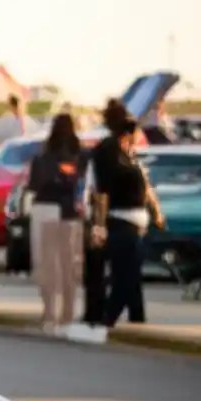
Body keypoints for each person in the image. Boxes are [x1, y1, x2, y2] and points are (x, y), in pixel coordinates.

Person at [98, 117, 165, 329]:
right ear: (126, 137)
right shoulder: (117, 165)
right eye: (135, 137)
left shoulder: (131, 161)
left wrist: (157, 213)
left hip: (134, 227)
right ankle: (105, 319)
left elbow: (147, 190)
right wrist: (99, 225)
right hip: (122, 226)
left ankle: (137, 318)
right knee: (125, 278)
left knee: (132, 277)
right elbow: (102, 196)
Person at [26, 114, 84, 335]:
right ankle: (68, 314)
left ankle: (49, 314)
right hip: (70, 213)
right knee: (68, 266)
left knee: (47, 265)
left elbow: (34, 185)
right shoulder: (78, 157)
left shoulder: (42, 158)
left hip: (46, 209)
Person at [77, 99, 129, 336]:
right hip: (108, 216)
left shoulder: (107, 149)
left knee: (96, 271)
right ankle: (98, 314)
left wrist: (98, 222)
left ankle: (94, 313)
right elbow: (103, 189)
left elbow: (98, 188)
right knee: (104, 270)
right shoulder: (115, 151)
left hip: (102, 215)